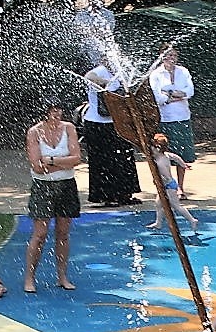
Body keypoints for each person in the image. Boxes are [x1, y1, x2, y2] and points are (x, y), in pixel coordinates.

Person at [24, 100, 83, 293]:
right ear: (45, 113)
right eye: (52, 111)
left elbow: (76, 159)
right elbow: (36, 167)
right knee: (40, 234)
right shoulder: (34, 132)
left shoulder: (69, 128)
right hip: (43, 187)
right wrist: (62, 163)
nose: (56, 114)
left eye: (59, 110)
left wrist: (50, 161)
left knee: (63, 233)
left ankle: (62, 277)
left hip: (66, 185)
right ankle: (30, 278)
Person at [80, 63, 141, 206]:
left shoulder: (122, 73)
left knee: (124, 158)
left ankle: (125, 194)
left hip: (118, 123)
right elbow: (88, 77)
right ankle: (106, 197)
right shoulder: (98, 71)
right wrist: (106, 83)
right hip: (98, 123)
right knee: (104, 160)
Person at [149, 47, 197, 195]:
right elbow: (157, 97)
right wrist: (174, 96)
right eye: (168, 55)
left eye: (174, 55)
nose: (172, 58)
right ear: (161, 56)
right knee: (164, 155)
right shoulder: (156, 74)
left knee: (182, 155)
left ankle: (181, 188)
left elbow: (190, 92)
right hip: (165, 119)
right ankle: (167, 187)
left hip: (182, 117)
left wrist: (169, 94)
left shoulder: (183, 71)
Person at [143, 133, 197, 232]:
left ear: (158, 148)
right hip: (166, 185)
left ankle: (192, 220)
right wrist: (183, 164)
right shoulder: (166, 155)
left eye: (151, 148)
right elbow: (176, 157)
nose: (150, 151)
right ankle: (158, 223)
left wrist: (157, 181)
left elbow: (165, 177)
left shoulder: (159, 163)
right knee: (158, 204)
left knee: (176, 206)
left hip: (169, 186)